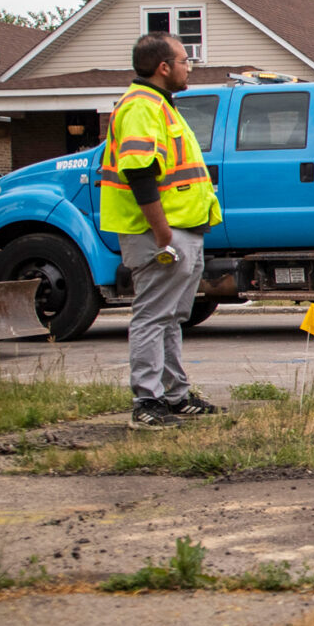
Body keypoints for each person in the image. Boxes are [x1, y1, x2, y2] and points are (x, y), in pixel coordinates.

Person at [101, 32, 224, 429]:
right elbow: (139, 173)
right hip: (160, 233)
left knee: (170, 317)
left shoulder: (160, 104)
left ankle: (175, 396)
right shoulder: (141, 107)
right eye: (186, 61)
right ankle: (147, 401)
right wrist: (163, 235)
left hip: (180, 229)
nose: (190, 68)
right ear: (164, 67)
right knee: (154, 317)